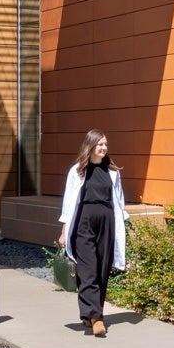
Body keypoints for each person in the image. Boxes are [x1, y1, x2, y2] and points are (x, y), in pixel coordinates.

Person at [57, 129, 129, 335]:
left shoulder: (113, 172)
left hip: (107, 222)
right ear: (91, 146)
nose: (104, 148)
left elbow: (119, 202)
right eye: (100, 145)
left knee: (102, 270)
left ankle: (89, 313)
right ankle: (96, 318)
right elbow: (68, 204)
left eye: (106, 144)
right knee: (87, 270)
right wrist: (63, 232)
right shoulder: (77, 171)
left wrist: (122, 229)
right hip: (83, 223)